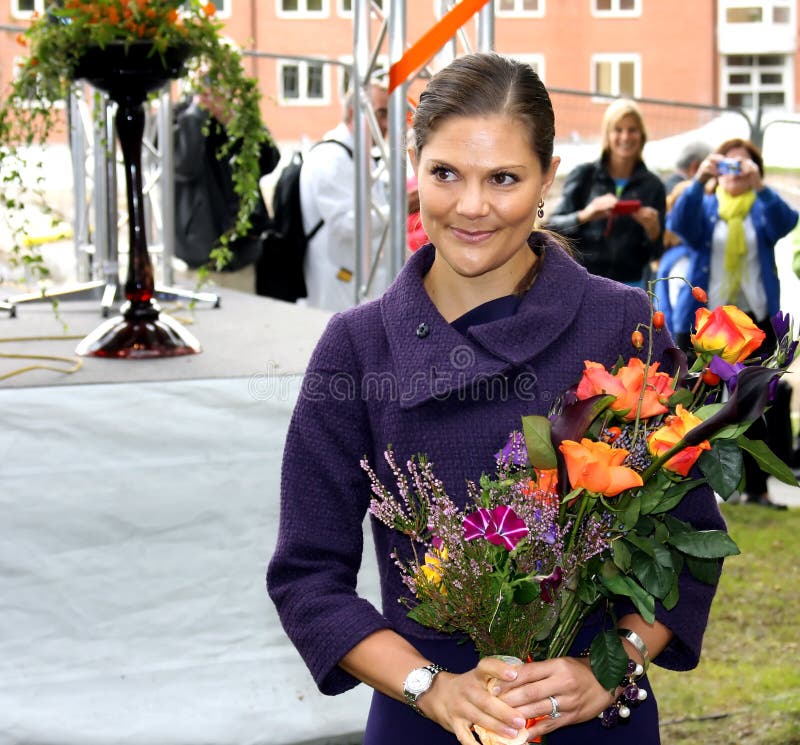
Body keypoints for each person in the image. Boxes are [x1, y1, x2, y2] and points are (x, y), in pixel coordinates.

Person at [267, 53, 726, 745]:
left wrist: (613, 665)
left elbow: (691, 536)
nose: (471, 206)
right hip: (424, 717)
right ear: (414, 166)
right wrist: (433, 688)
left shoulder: (620, 323)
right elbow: (307, 576)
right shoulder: (357, 348)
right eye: (446, 172)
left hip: (595, 719)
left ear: (548, 179)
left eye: (504, 178)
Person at [668, 137, 798, 509]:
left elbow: (788, 221)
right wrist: (698, 182)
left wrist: (760, 185)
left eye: (743, 165)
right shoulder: (706, 206)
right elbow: (678, 222)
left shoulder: (761, 209)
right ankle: (695, 493)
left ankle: (756, 489)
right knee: (698, 403)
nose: (733, 171)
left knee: (755, 405)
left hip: (754, 323)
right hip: (708, 322)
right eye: (727, 163)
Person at [173, 77, 281, 292]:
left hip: (242, 255)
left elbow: (269, 161)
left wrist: (236, 123)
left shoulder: (239, 117)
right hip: (198, 258)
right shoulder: (179, 117)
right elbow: (184, 166)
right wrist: (197, 115)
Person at [546, 98, 665, 287]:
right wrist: (587, 214)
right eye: (618, 130)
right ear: (607, 135)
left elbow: (656, 253)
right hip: (584, 281)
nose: (625, 137)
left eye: (632, 130)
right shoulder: (585, 176)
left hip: (630, 285)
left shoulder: (653, 185)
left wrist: (653, 232)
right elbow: (551, 228)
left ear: (641, 135)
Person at [298, 82, 391, 312]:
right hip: (338, 283)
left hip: (356, 282)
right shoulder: (331, 157)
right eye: (380, 113)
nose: (387, 124)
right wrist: (399, 207)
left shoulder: (361, 155)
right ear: (353, 113)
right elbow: (346, 226)